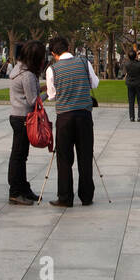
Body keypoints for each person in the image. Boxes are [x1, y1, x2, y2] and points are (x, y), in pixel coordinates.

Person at [45, 35, 98, 206]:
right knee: (85, 156)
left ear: (54, 53)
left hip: (65, 117)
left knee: (64, 158)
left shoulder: (52, 69)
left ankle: (65, 197)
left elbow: (52, 96)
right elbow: (95, 83)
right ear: (68, 47)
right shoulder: (84, 62)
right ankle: (87, 196)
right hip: (84, 115)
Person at [7, 40, 46, 204]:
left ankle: (23, 187)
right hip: (24, 117)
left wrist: (43, 88)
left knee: (21, 155)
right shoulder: (28, 75)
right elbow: (32, 101)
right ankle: (16, 191)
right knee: (18, 156)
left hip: (17, 116)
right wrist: (50, 95)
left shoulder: (19, 68)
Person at [123, 49, 140, 123]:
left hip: (130, 84)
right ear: (136, 56)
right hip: (139, 84)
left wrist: (134, 55)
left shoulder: (126, 64)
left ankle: (132, 117)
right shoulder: (139, 64)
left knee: (131, 101)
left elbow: (130, 60)